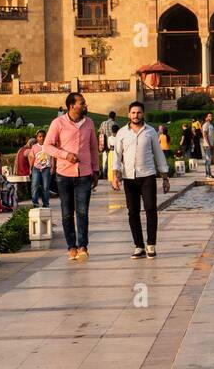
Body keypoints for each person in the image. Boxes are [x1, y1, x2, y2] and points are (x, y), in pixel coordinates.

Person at [111, 101, 171, 259]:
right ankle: (139, 246)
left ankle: (151, 244)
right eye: (133, 113)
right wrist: (115, 176)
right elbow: (117, 156)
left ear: (143, 114)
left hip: (148, 176)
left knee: (151, 209)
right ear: (129, 114)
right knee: (133, 212)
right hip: (129, 178)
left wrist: (165, 177)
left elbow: (159, 155)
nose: (135, 115)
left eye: (138, 113)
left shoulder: (150, 132)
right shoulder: (122, 133)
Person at [44, 92, 99, 262]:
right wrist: (65, 155)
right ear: (71, 106)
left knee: (82, 212)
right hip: (64, 174)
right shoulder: (58, 123)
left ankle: (83, 246)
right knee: (67, 213)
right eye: (81, 103)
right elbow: (47, 146)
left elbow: (93, 148)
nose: (85, 105)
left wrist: (96, 170)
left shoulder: (89, 123)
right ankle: (71, 247)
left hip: (84, 174)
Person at [30, 128, 51, 207]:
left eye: (43, 136)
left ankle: (46, 203)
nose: (42, 138)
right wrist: (30, 168)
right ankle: (35, 203)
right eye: (40, 136)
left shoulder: (49, 146)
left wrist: (53, 167)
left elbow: (53, 157)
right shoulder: (34, 147)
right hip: (36, 168)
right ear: (37, 138)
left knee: (45, 186)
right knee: (35, 185)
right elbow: (32, 158)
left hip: (46, 168)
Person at [201, 111, 214, 179]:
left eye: (211, 116)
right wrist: (209, 144)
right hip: (207, 145)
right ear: (206, 117)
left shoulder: (211, 125)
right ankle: (207, 175)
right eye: (209, 116)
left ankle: (209, 174)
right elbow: (205, 135)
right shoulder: (205, 125)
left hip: (211, 144)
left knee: (209, 160)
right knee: (208, 160)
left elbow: (212, 136)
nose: (211, 117)